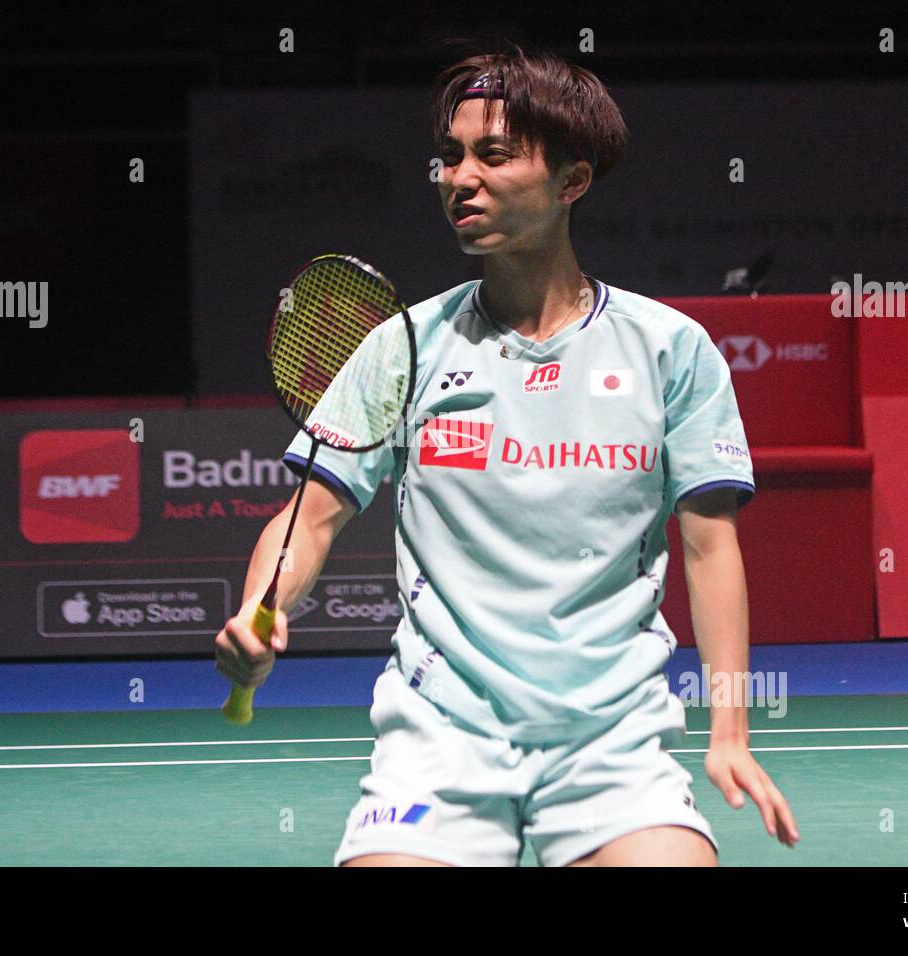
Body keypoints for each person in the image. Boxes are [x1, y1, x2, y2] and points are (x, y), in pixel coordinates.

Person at [215, 44, 799, 866]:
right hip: (438, 739)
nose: (460, 178)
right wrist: (258, 614)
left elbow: (710, 548)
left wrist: (730, 731)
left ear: (572, 181)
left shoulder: (671, 349)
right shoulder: (404, 346)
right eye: (449, 157)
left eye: (492, 156)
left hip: (611, 741)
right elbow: (306, 522)